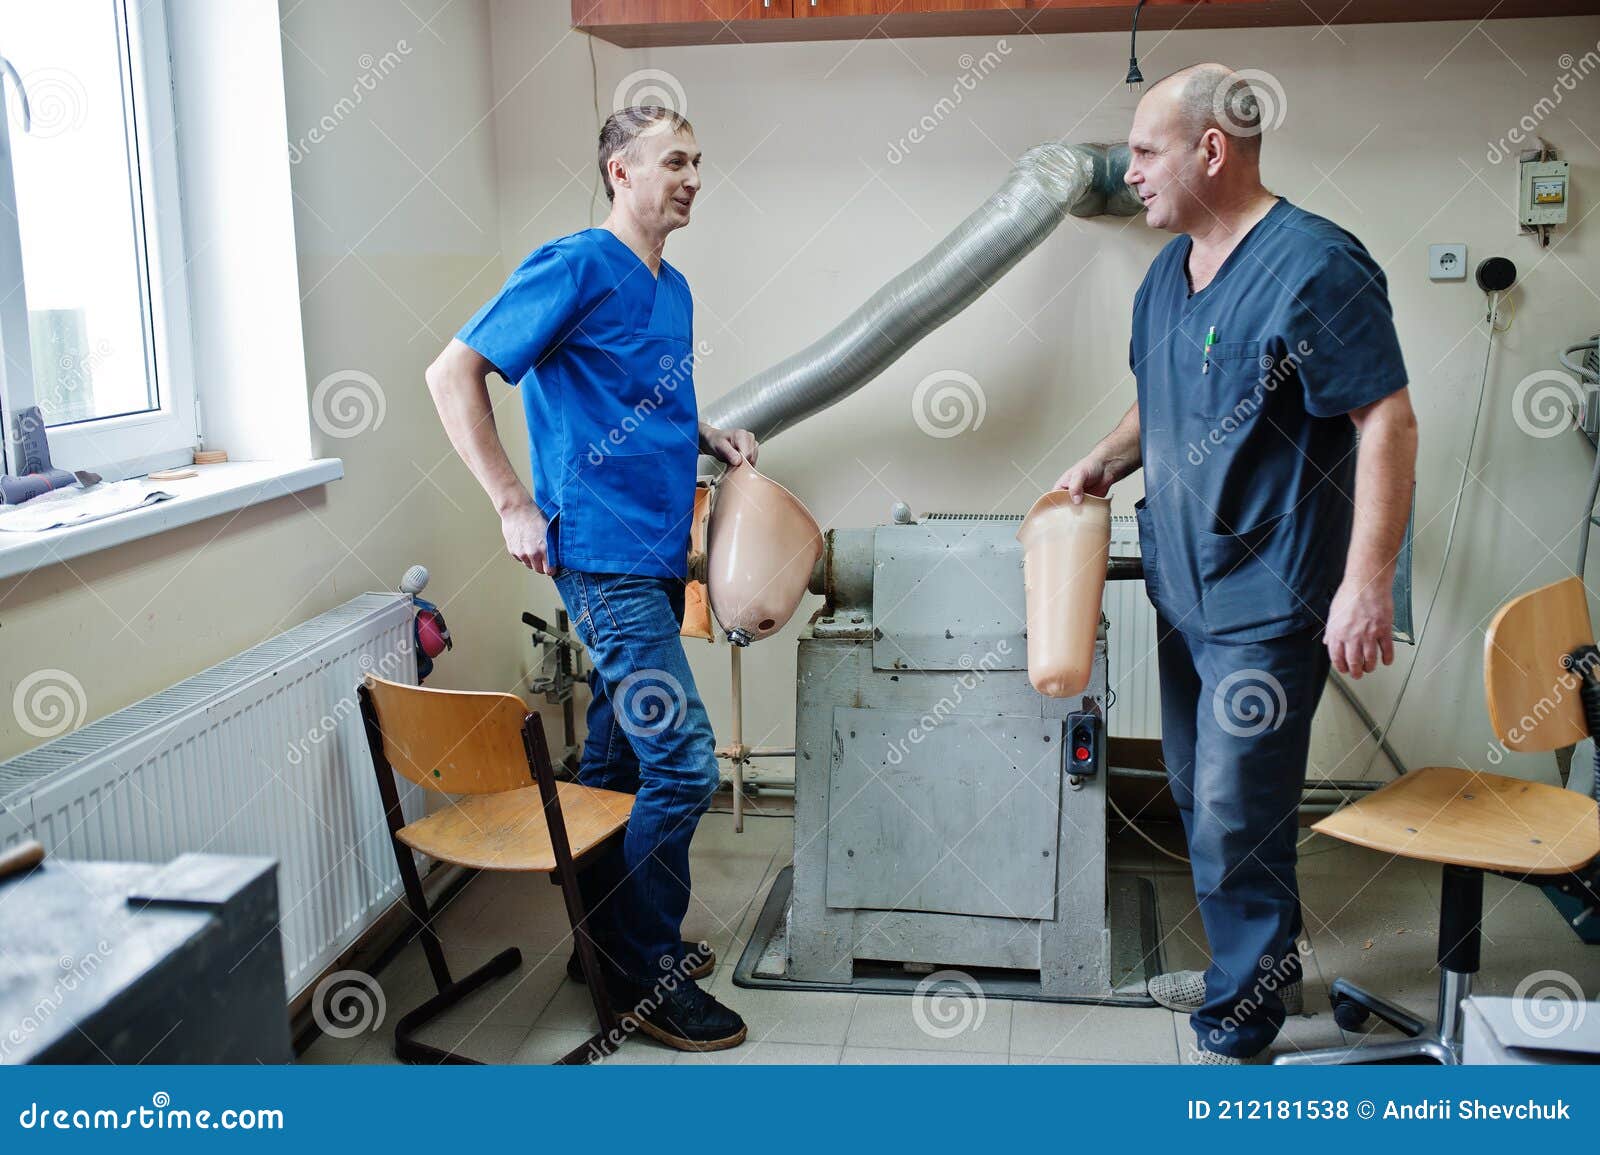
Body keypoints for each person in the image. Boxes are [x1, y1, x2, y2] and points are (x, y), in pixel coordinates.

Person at [1055, 64, 1418, 1064]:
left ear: (1210, 150)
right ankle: (1257, 973)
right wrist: (1101, 459)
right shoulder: (1165, 276)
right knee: (1200, 794)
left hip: (1270, 591)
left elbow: (1384, 417)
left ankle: (1245, 1010)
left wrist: (1366, 579)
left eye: (1142, 153)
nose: (1126, 173)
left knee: (1232, 805)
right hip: (1183, 584)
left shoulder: (1314, 265)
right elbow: (1162, 402)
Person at [425, 106, 755, 1052]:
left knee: (611, 765)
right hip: (602, 561)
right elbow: (453, 375)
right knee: (686, 761)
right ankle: (644, 968)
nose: (693, 177)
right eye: (675, 161)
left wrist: (710, 433)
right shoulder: (570, 264)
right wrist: (509, 501)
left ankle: (600, 944)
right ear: (621, 171)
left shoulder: (675, 286)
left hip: (657, 552)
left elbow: (644, 396)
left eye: (699, 160)